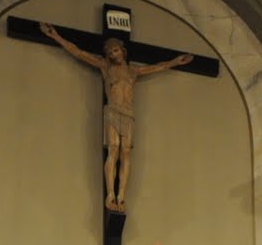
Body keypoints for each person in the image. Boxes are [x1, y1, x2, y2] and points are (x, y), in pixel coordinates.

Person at [36, 26, 192, 212]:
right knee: (114, 149)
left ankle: (121, 196)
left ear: (123, 51)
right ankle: (110, 194)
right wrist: (57, 37)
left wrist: (175, 62)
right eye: (110, 52)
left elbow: (157, 67)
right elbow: (79, 53)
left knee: (126, 152)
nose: (113, 54)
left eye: (115, 50)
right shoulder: (105, 67)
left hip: (128, 114)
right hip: (112, 111)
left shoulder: (133, 71)